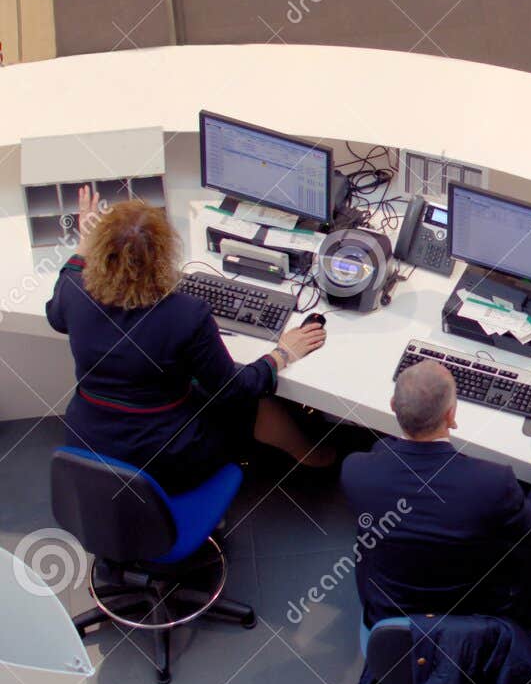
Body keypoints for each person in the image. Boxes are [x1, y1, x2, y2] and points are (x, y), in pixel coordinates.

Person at [45, 189, 330, 493]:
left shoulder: (73, 290)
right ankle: (314, 457)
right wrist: (282, 354)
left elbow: (56, 316)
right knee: (254, 399)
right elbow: (233, 390)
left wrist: (85, 241)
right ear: (163, 257)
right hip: (165, 458)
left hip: (90, 443)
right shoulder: (186, 314)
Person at [339, 359, 531, 627]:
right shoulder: (492, 482)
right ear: (451, 416)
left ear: (393, 406)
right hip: (469, 620)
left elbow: (386, 453)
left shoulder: (356, 469)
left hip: (387, 615)